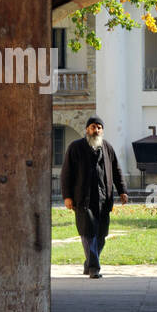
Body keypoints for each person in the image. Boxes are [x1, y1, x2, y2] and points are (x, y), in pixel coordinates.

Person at [60, 116, 128, 278]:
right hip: (83, 199)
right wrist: (67, 196)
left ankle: (88, 263)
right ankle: (93, 268)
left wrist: (122, 190)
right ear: (86, 129)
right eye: (92, 127)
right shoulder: (75, 147)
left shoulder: (107, 148)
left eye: (98, 127)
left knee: (101, 235)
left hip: (104, 198)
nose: (95, 130)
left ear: (102, 130)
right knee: (88, 233)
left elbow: (117, 170)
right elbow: (66, 173)